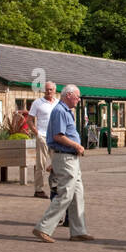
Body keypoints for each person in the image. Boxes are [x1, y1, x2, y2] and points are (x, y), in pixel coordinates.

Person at [31, 85, 93, 242]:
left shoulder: (66, 111)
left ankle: (78, 231)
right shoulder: (59, 111)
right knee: (65, 193)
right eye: (77, 96)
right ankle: (43, 228)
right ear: (69, 95)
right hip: (65, 157)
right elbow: (59, 136)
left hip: (71, 158)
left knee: (78, 194)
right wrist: (77, 145)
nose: (79, 99)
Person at [28, 81, 58, 198]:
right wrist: (37, 134)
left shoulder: (58, 103)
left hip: (55, 137)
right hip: (43, 136)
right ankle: (38, 189)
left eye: (51, 89)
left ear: (55, 90)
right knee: (40, 164)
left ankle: (56, 186)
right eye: (46, 89)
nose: (48, 91)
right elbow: (29, 120)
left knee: (57, 162)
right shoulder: (37, 103)